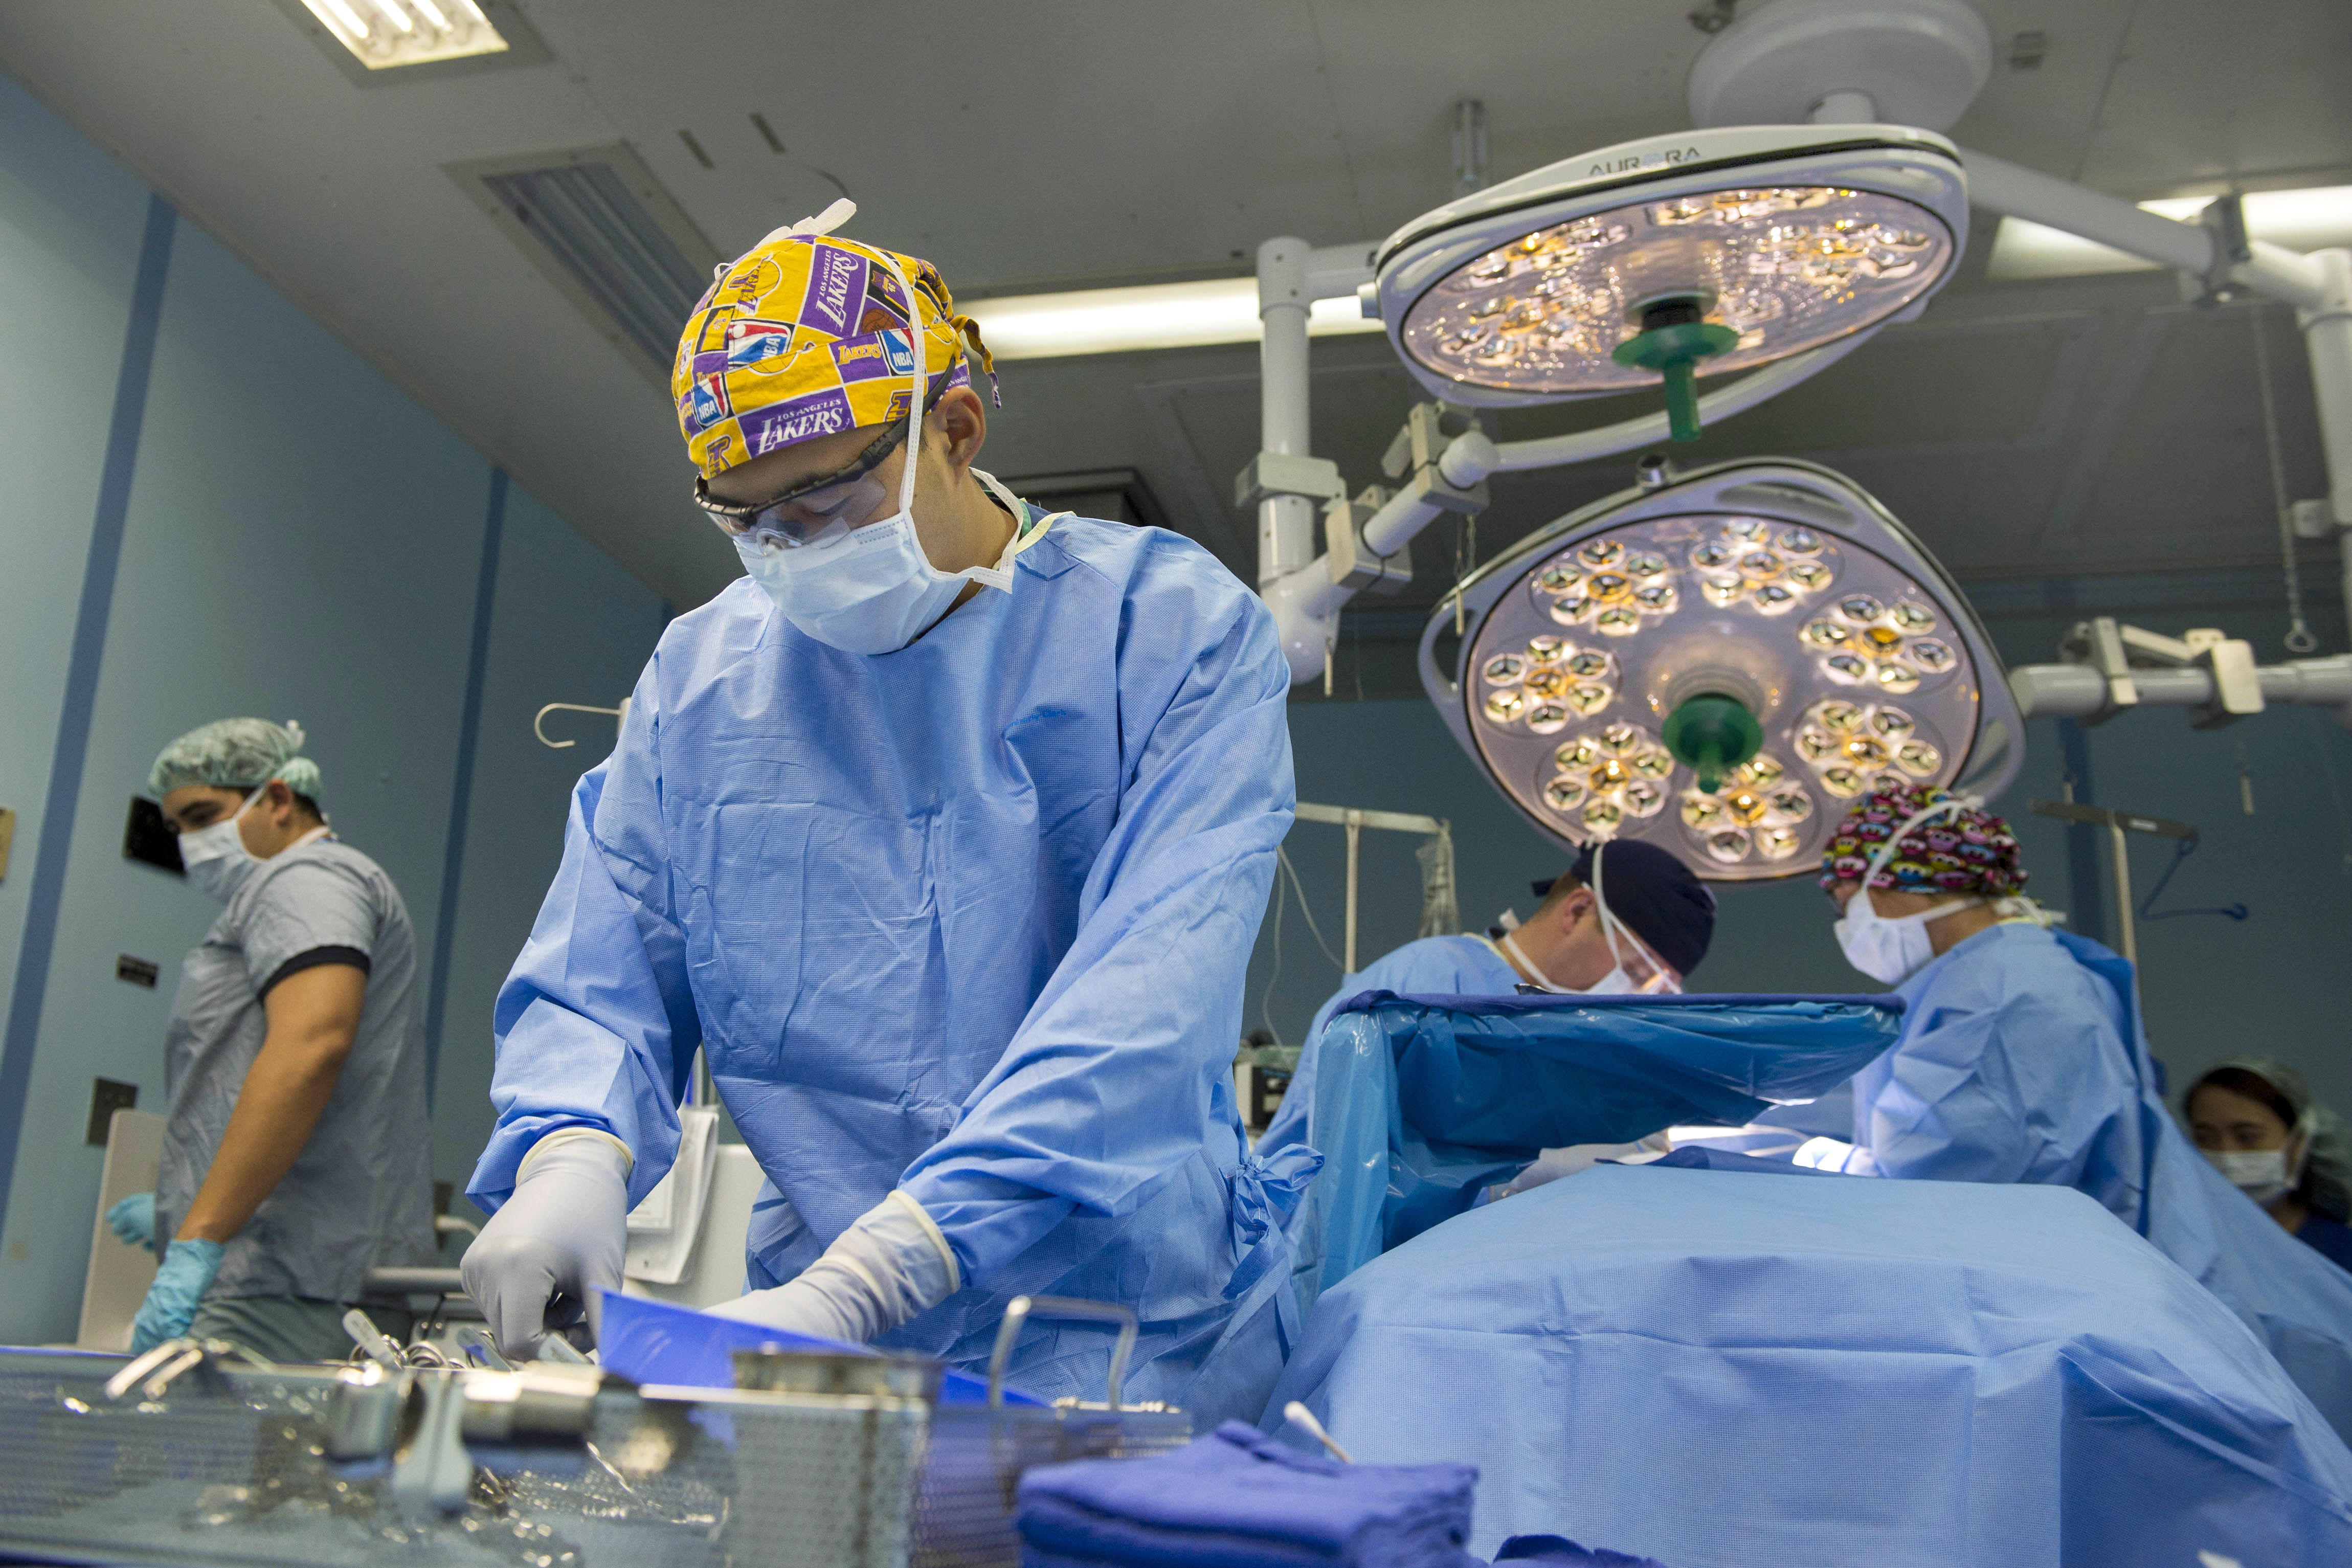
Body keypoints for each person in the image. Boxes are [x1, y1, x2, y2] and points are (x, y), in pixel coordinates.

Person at [460, 206, 1311, 1422]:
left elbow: (1139, 1017)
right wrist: (571, 1151)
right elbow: (606, 961)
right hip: (819, 1366)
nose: (786, 553)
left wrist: (871, 1279)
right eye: (746, 522)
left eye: (818, 509)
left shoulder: (1166, 639)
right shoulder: (704, 686)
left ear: (954, 428)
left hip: (1127, 1342)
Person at [1811, 783, 2352, 1438]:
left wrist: (1802, 1170)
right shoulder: (1993, 977)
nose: (1846, 923)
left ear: (1909, 885)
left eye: (1847, 902)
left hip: (2176, 1333)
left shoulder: (2006, 997)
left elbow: (1957, 1186)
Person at [110, 718, 434, 1360]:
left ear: (279, 800)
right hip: (282, 1274)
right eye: (179, 827)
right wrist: (180, 1209)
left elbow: (312, 1045)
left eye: (205, 815)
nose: (193, 843)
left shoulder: (307, 880)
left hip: (289, 1284)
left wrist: (200, 1236)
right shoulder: (289, 890)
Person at [1256, 838, 1716, 1165]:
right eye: (1634, 971)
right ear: (1577, 911)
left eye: (1656, 990)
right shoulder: (1429, 981)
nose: (1635, 994)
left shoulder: (1587, 1040)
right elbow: (1351, 1158)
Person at [2186, 1058, 2352, 1274]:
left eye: (2247, 1137)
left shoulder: (2342, 1253)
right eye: (2205, 1137)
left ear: (2298, 1143)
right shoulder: (2187, 1249)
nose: (2226, 1155)